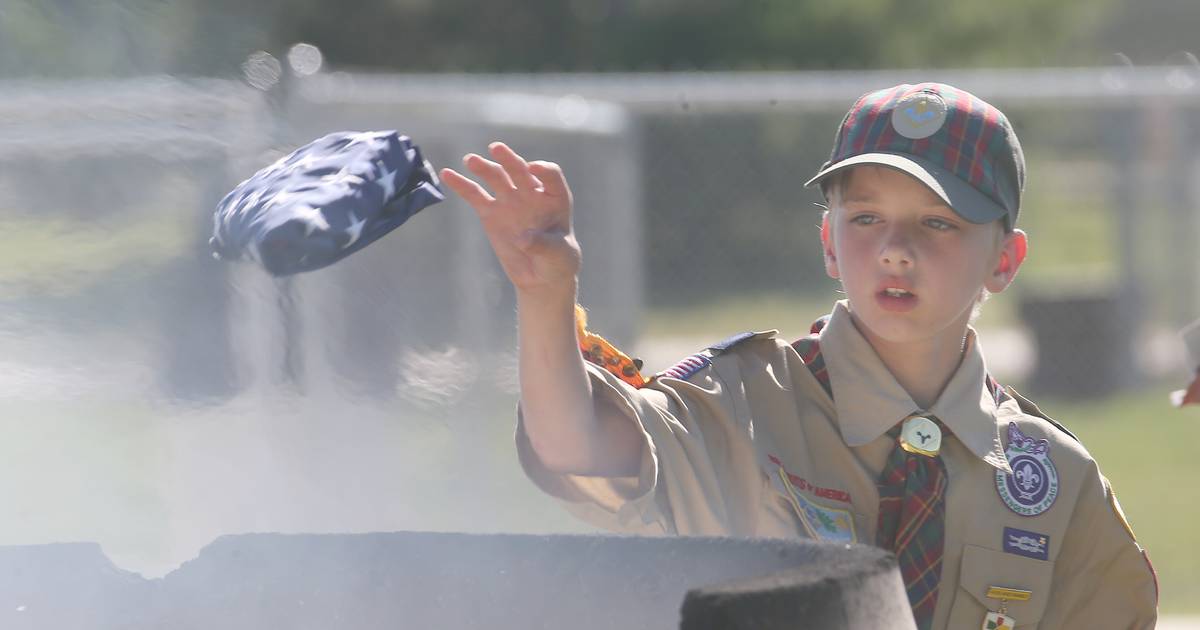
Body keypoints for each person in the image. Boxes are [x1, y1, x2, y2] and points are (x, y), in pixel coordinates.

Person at [440, 83, 1157, 630]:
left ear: (1005, 259)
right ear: (827, 243)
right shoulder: (740, 405)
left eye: (939, 222)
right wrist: (544, 296)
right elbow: (575, 449)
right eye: (865, 218)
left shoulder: (1054, 484)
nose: (895, 250)